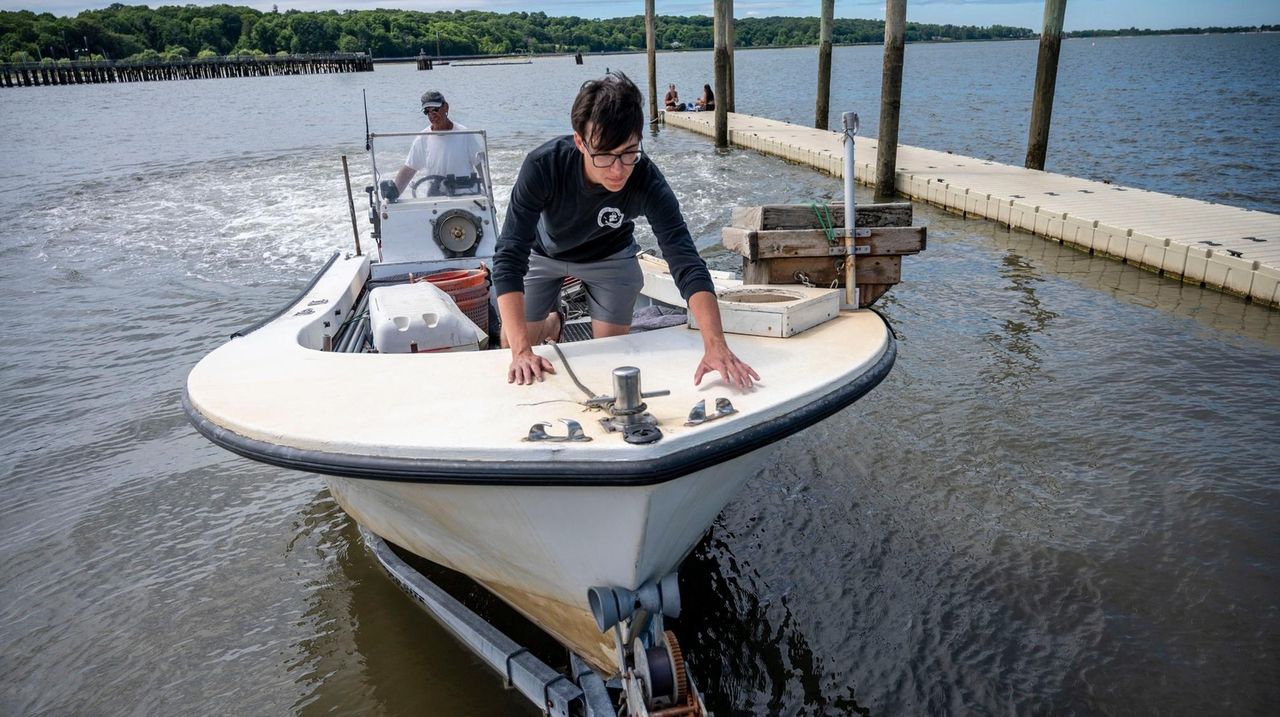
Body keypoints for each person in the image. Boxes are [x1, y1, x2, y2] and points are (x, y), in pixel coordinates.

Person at [492, 71, 759, 390]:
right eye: (604, 155)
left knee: (608, 353)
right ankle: (554, 320)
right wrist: (522, 352)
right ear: (580, 141)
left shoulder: (646, 179)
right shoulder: (543, 166)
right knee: (512, 344)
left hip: (610, 257)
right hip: (543, 254)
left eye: (629, 152)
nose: (619, 170)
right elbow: (508, 257)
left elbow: (685, 260)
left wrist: (715, 345)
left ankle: (557, 319)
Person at [381, 90, 482, 200]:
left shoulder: (464, 134)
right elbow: (409, 169)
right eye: (427, 111)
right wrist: (393, 194)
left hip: (465, 197)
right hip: (436, 198)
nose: (432, 115)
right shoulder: (422, 138)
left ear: (446, 107)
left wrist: (489, 197)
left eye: (435, 109)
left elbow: (480, 166)